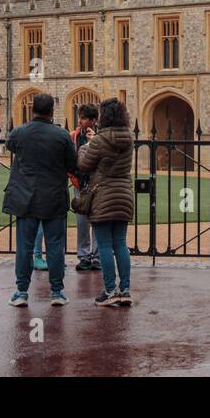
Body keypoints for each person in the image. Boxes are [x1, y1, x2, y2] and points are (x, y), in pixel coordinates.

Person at [2, 93, 77, 306]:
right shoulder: (61, 136)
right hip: (53, 197)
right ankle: (56, 292)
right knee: (54, 246)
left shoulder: (20, 132)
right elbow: (72, 166)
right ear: (52, 112)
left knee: (24, 247)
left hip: (25, 197)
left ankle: (21, 292)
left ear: (32, 109)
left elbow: (10, 145)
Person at [77, 98, 134, 305]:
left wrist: (86, 146)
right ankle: (125, 290)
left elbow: (84, 165)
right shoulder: (129, 137)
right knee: (120, 244)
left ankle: (110, 290)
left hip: (103, 195)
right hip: (124, 194)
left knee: (104, 245)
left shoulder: (100, 140)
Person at [71, 103, 101, 271]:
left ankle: (97, 258)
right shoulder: (74, 136)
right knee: (82, 222)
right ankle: (83, 256)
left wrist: (94, 141)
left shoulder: (100, 136)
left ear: (93, 120)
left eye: (83, 118)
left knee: (96, 220)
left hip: (96, 185)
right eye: (80, 117)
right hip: (80, 185)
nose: (80, 121)